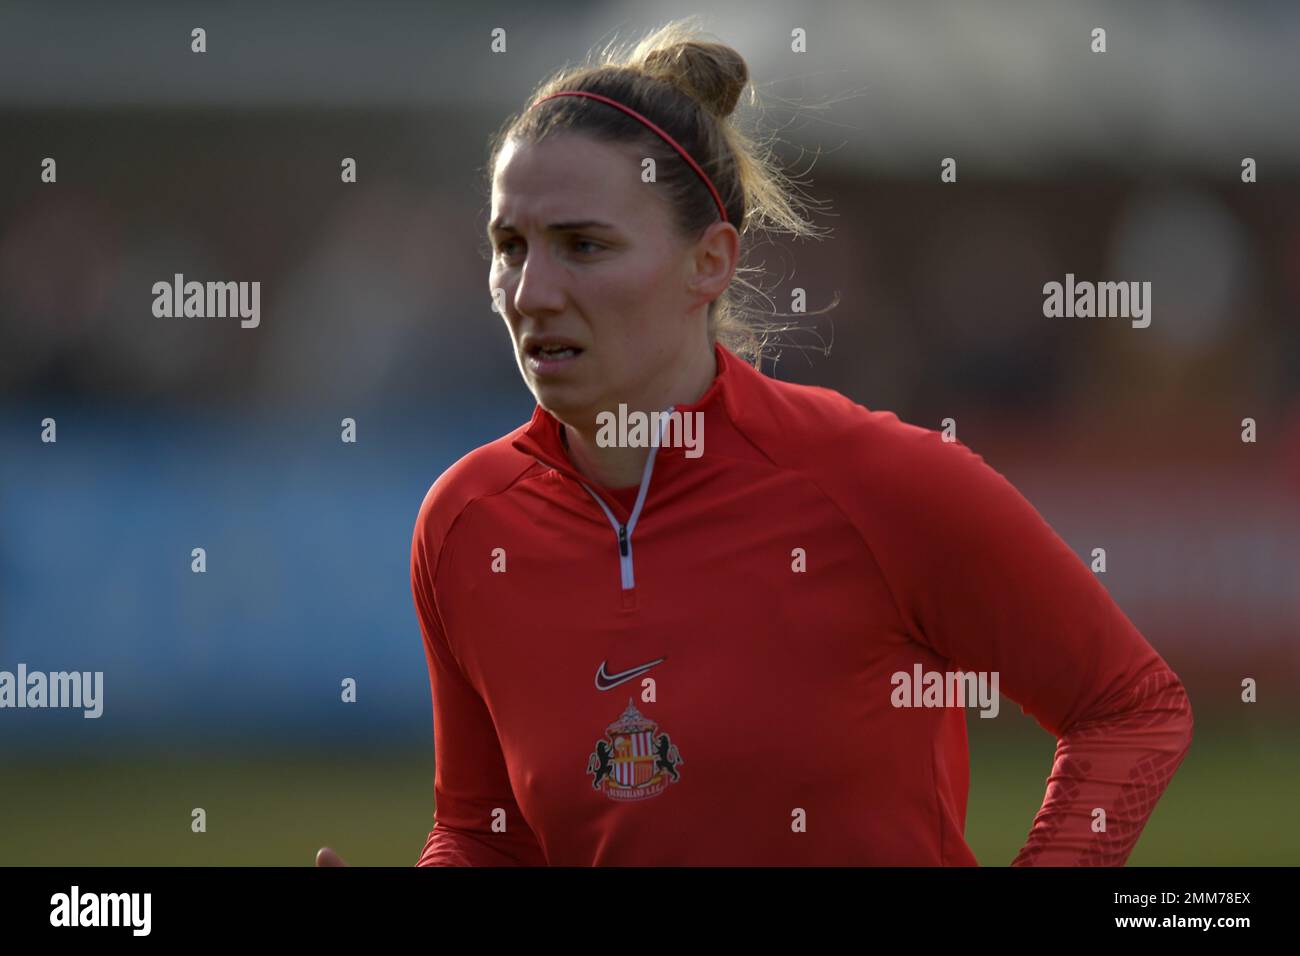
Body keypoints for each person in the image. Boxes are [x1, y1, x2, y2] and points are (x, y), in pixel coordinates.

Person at [317, 17, 1192, 868]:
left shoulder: (880, 481)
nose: (531, 290)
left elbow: (1129, 706)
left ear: (712, 262)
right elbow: (488, 834)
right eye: (510, 247)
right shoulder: (467, 523)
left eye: (583, 245)